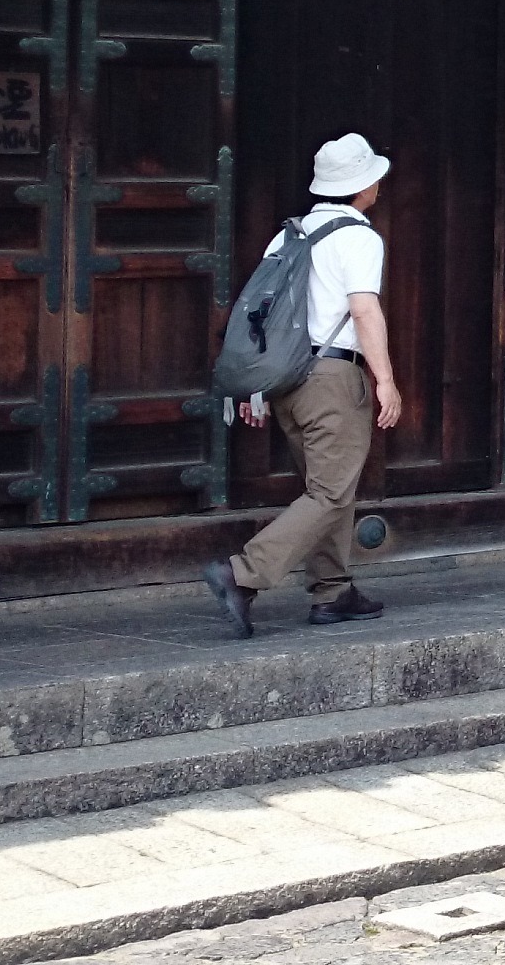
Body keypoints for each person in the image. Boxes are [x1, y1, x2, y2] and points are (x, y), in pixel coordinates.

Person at [204, 134, 401, 637]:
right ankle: (242, 574)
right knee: (331, 493)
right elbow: (363, 309)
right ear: (364, 186)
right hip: (334, 378)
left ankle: (332, 592)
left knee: (326, 490)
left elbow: (261, 317)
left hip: (289, 380)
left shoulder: (288, 236)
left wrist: (258, 389)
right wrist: (386, 380)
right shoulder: (359, 238)